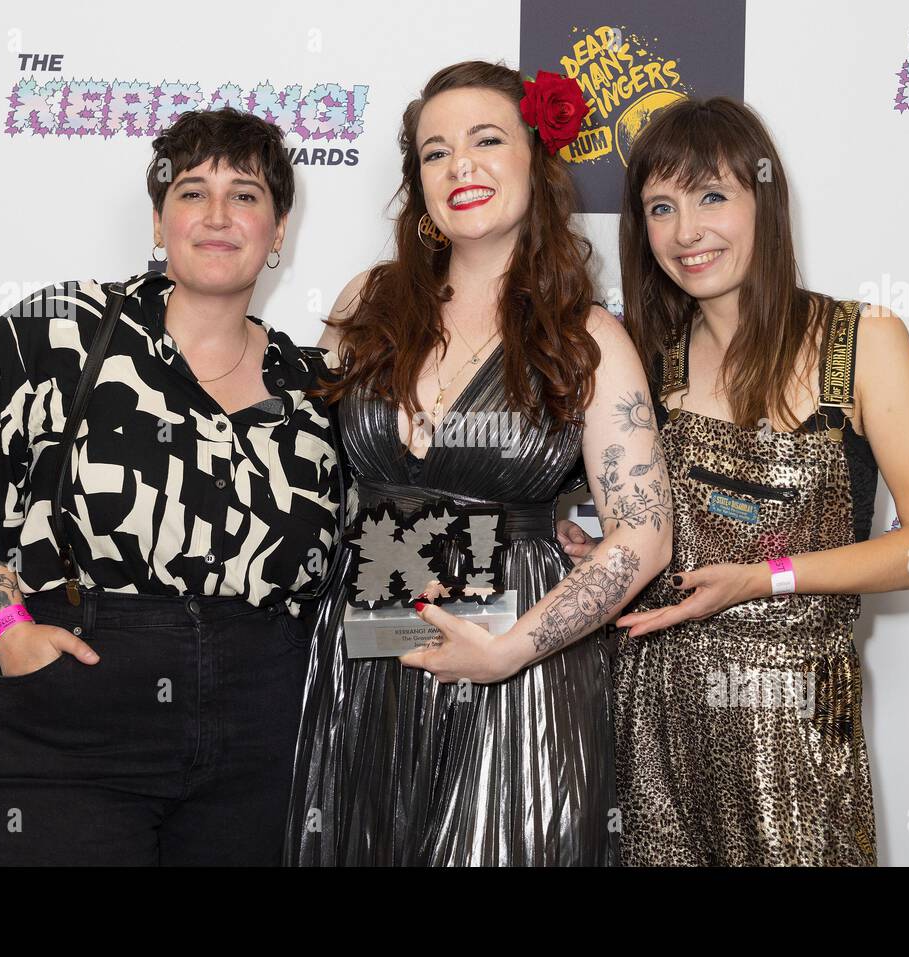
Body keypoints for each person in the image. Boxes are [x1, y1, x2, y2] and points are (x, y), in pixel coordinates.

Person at [0, 106, 341, 865]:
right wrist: (7, 628)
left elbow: (382, 537)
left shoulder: (317, 388)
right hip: (70, 721)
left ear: (279, 232)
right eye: (192, 192)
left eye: (245, 195)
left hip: (262, 735)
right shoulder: (60, 330)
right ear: (158, 219)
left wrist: (546, 533)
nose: (217, 215)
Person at [559, 96, 909, 865]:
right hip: (651, 715)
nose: (687, 232)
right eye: (661, 207)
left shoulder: (861, 339)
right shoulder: (644, 355)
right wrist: (589, 548)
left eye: (713, 196)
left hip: (797, 715)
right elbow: (629, 522)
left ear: (763, 201)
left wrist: (763, 578)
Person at [284, 61, 671, 865]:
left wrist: (506, 652)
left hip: (522, 665)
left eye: (486, 140)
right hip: (366, 663)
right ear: (416, 184)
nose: (460, 165)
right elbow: (302, 481)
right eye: (435, 152)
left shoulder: (588, 334)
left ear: (536, 157)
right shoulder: (367, 305)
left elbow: (646, 534)